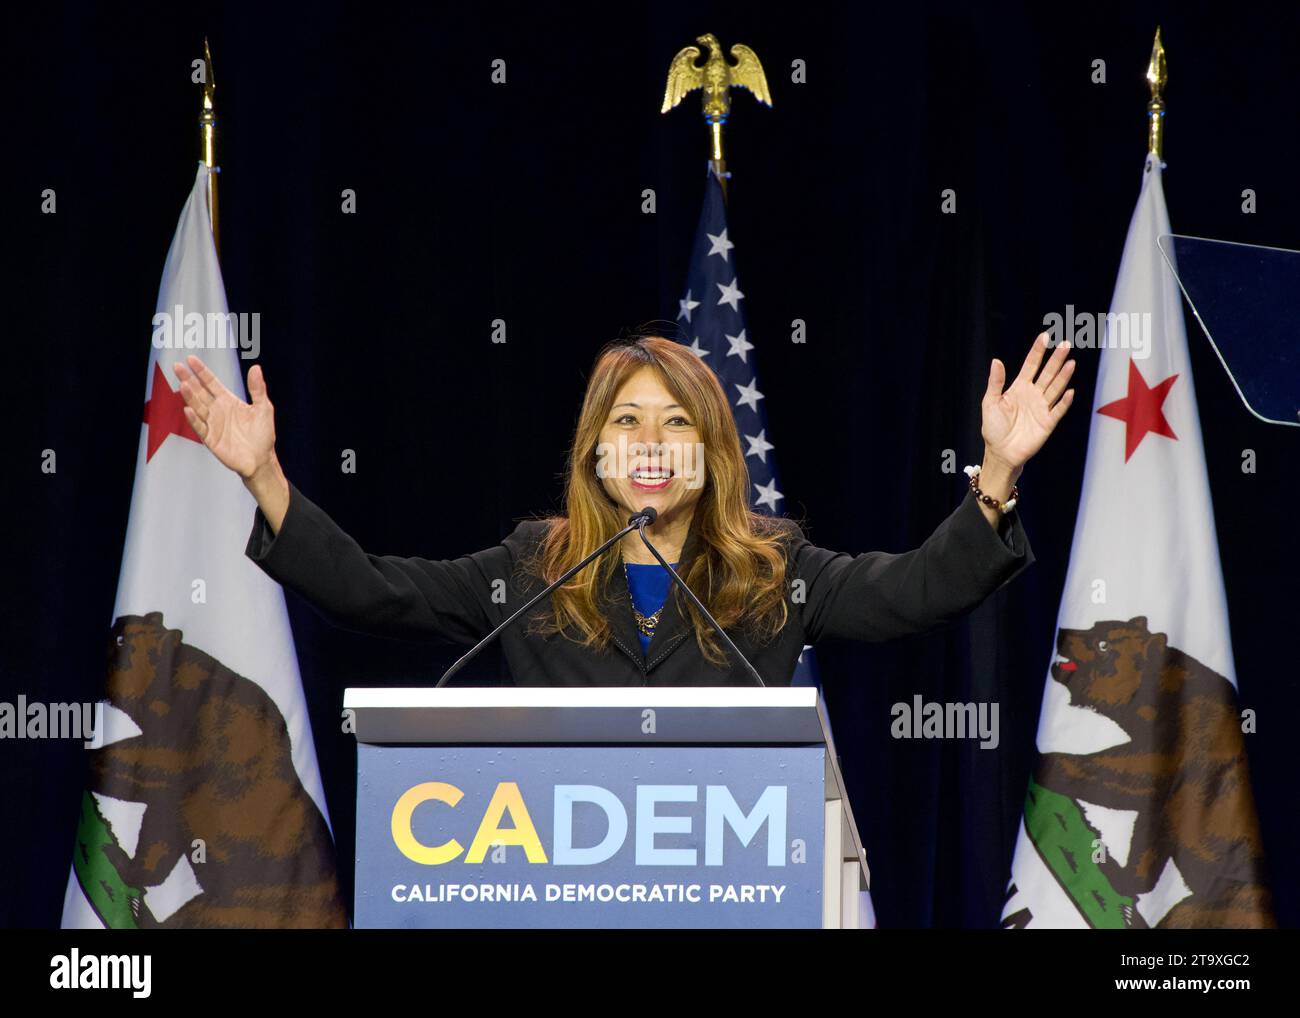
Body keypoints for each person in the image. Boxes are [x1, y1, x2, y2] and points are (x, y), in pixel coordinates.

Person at [172, 332, 1075, 686]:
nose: (650, 443)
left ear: (712, 453)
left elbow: (915, 592)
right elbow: (372, 591)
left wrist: (994, 471)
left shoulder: (776, 573)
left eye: (676, 422)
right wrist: (265, 479)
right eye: (628, 423)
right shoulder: (530, 573)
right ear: (598, 456)